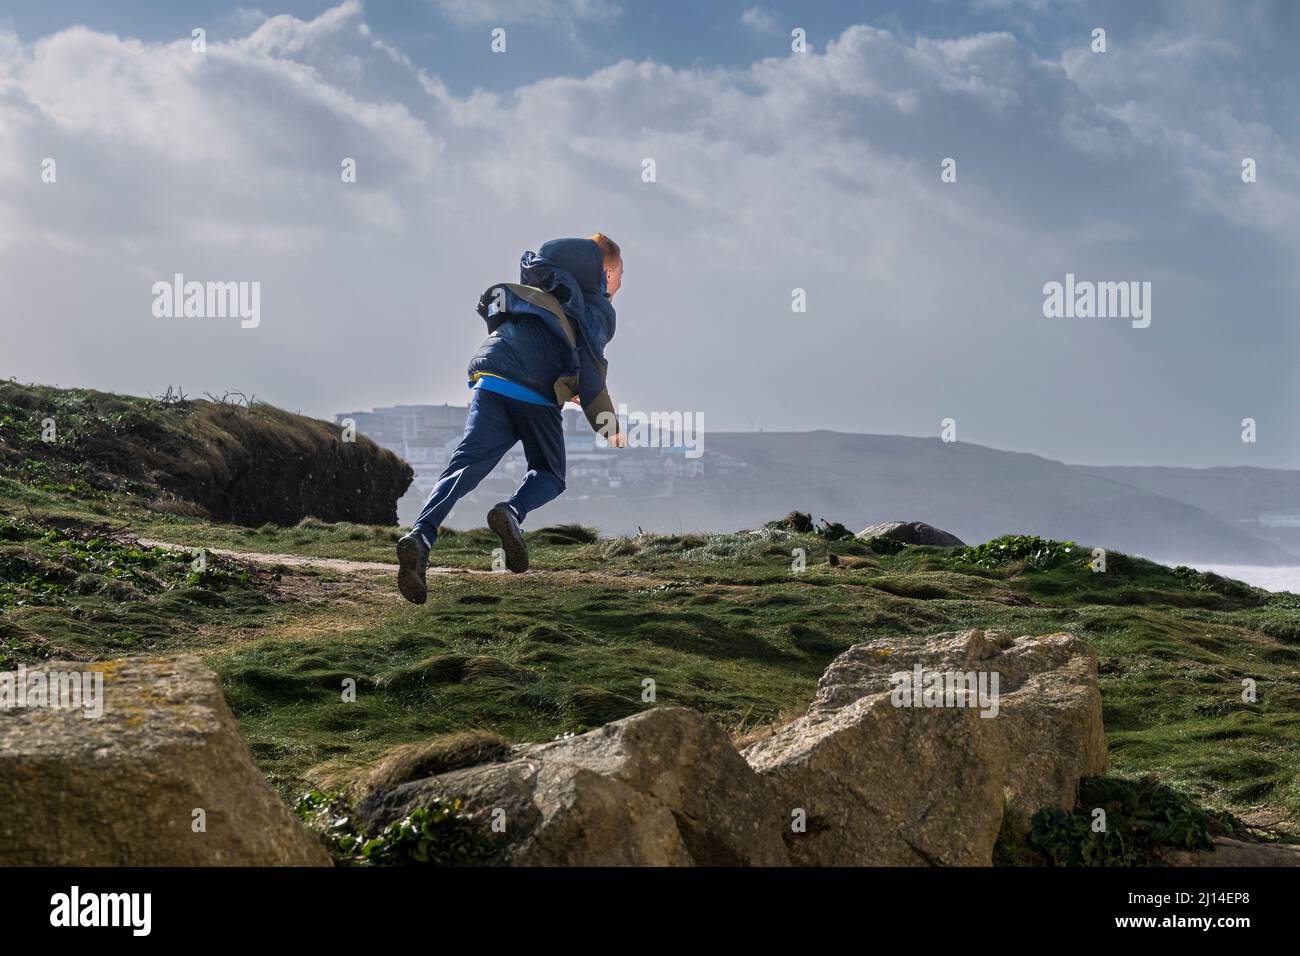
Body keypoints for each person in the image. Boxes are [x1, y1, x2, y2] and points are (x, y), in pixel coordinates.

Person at [396, 234, 626, 605]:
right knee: (550, 473)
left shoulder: (534, 289)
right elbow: (592, 369)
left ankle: (420, 536)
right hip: (535, 391)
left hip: (493, 379)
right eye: (616, 278)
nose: (615, 288)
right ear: (605, 271)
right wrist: (608, 426)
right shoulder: (595, 309)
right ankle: (511, 511)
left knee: (464, 465)